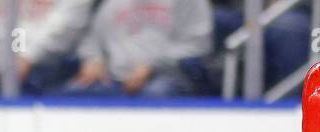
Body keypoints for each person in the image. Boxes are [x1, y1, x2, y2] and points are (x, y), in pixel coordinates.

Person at [66, 0, 214, 97]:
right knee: (73, 93)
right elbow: (93, 37)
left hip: (169, 76)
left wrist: (152, 66)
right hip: (114, 78)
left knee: (155, 94)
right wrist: (93, 59)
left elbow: (197, 44)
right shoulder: (112, 3)